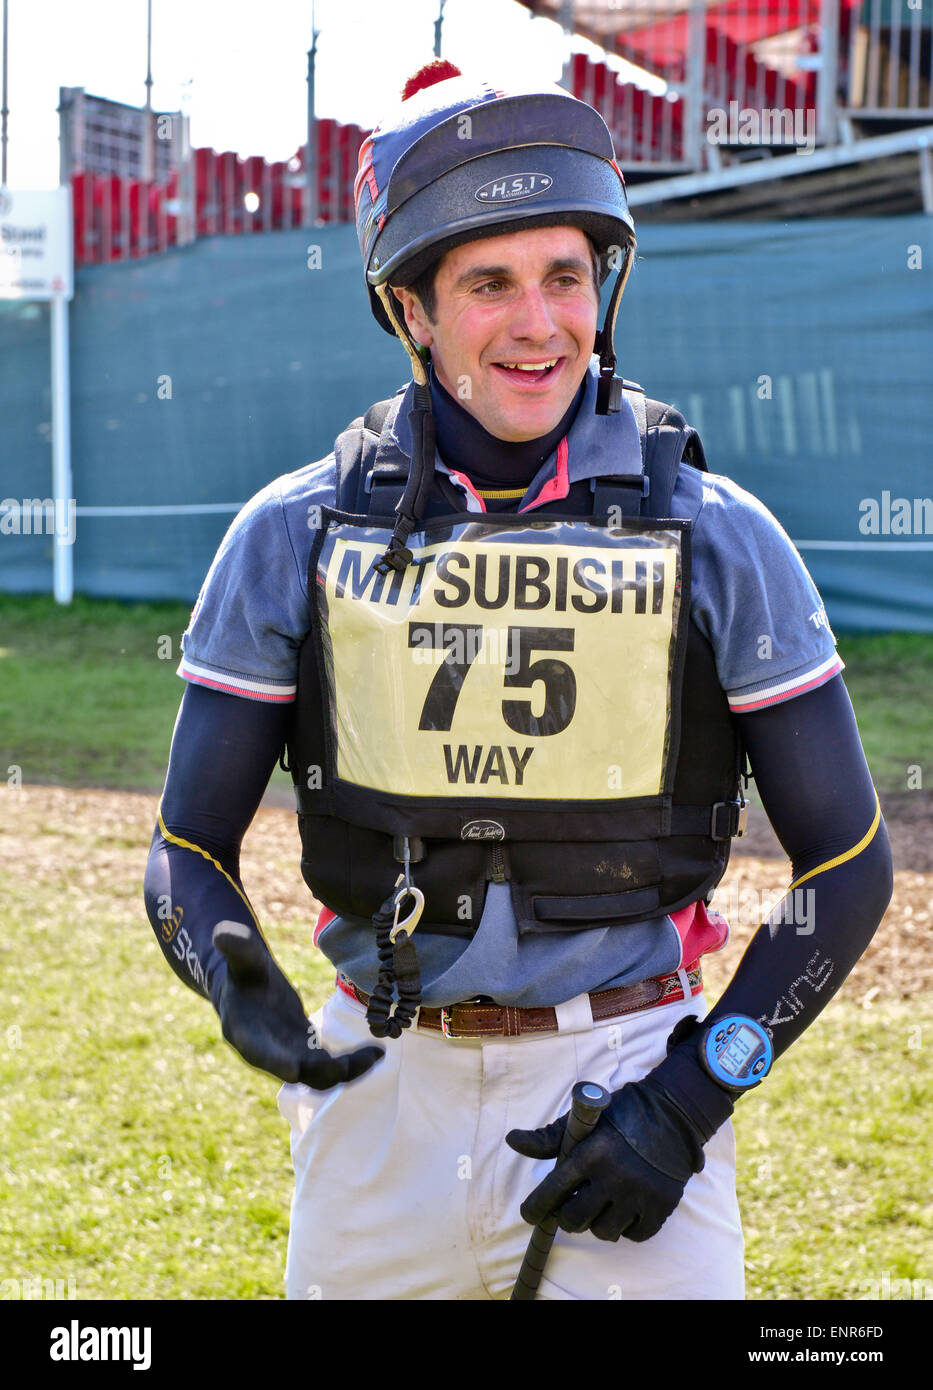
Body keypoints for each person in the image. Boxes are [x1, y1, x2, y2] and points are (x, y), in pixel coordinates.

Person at [144, 61, 893, 1301]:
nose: (541, 322)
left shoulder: (719, 536)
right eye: (489, 283)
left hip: (635, 1071)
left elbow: (850, 864)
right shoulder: (295, 535)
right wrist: (230, 972)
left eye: (568, 275)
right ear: (411, 311)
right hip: (382, 1087)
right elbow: (187, 844)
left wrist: (693, 1098)